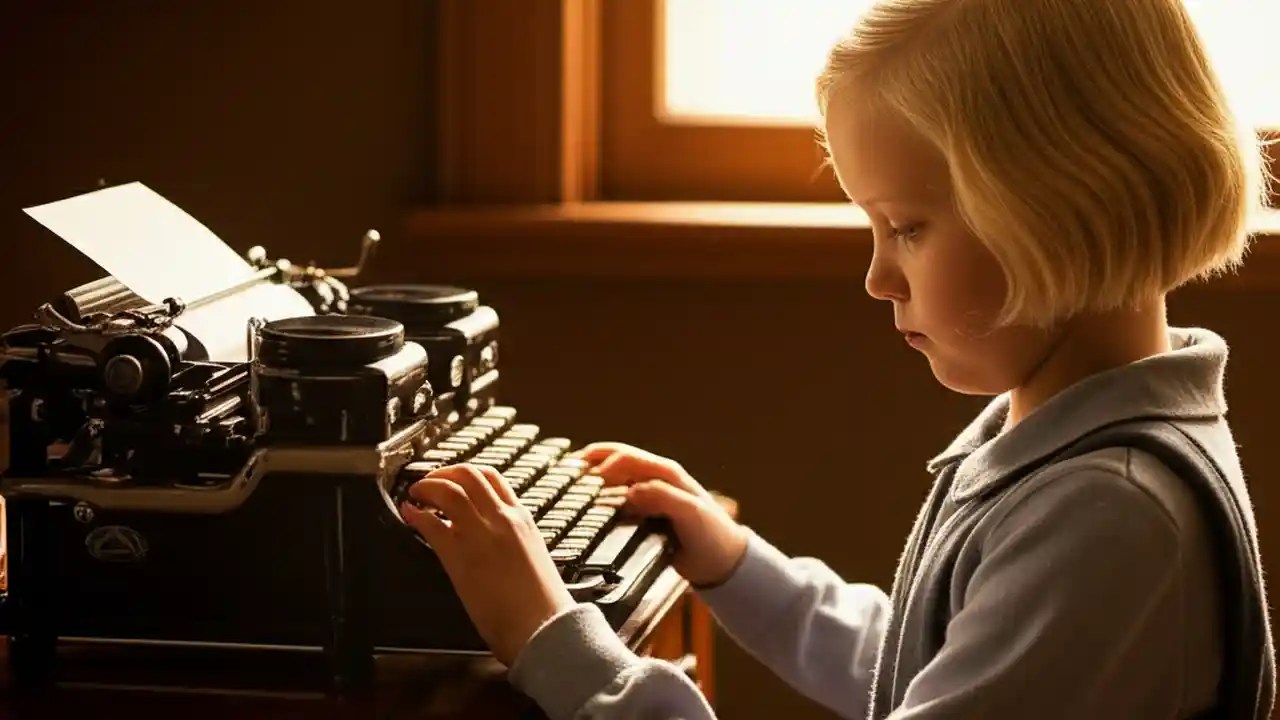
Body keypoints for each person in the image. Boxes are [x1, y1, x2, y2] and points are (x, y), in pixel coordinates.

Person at [398, 0, 1276, 717]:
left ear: (1060, 208)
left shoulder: (1110, 515)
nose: (877, 277)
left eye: (906, 228)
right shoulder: (1077, 430)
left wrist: (555, 643)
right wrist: (740, 568)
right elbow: (933, 667)